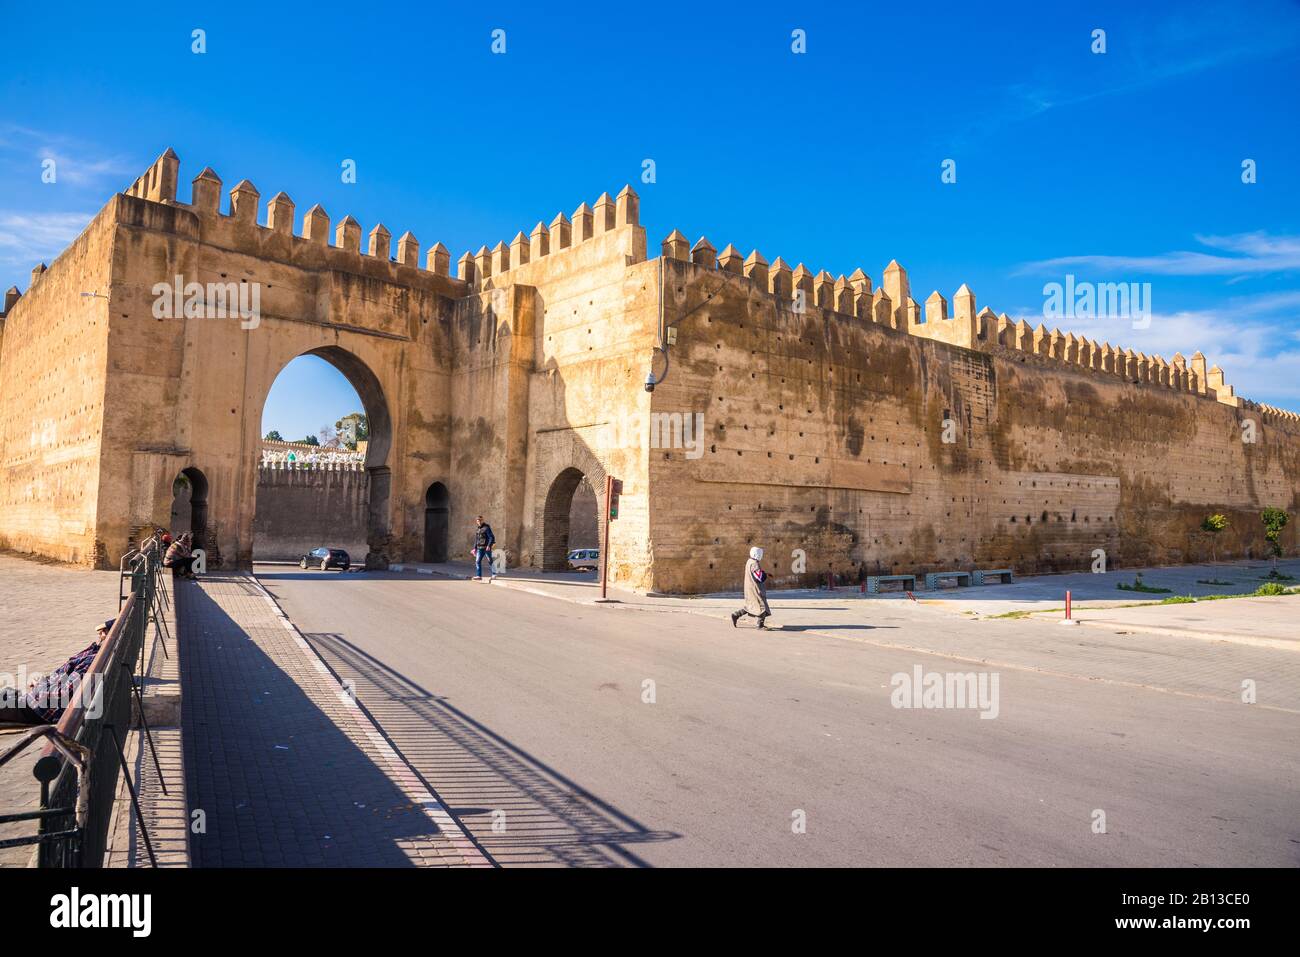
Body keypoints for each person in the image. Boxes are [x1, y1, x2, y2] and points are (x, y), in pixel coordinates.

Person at [0, 620, 112, 726]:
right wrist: (44, 681)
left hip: (39, 709)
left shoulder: (92, 662)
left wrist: (41, 684)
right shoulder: (96, 652)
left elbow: (65, 694)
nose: (99, 634)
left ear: (109, 636)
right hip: (37, 699)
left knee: (4, 697)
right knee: (6, 692)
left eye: (104, 631)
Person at [731, 546, 771, 629]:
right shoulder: (754, 564)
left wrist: (765, 573)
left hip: (750, 588)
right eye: (760, 554)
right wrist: (765, 575)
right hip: (755, 589)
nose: (761, 555)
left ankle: (736, 614)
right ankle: (760, 625)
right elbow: (759, 577)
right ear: (757, 554)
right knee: (761, 606)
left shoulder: (749, 561)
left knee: (751, 606)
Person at [472, 516, 496, 581]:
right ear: (476, 522)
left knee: (490, 560)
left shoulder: (486, 528)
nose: (479, 522)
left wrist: (489, 545)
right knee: (477, 561)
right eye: (478, 521)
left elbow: (491, 537)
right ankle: (479, 576)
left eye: (480, 520)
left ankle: (494, 574)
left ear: (482, 520)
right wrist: (474, 548)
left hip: (486, 548)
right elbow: (476, 539)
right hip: (479, 548)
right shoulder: (478, 529)